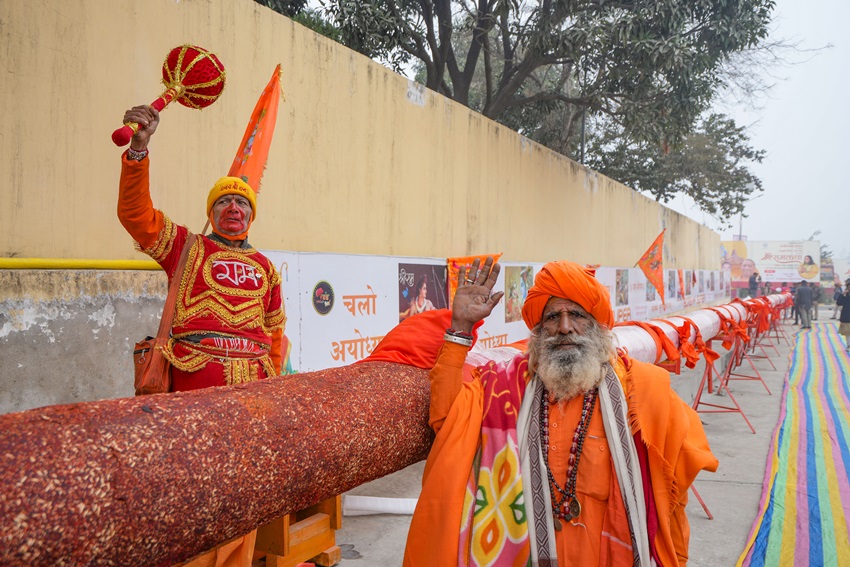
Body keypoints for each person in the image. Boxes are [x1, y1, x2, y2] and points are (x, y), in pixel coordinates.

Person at [404, 258, 718, 566]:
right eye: (553, 316)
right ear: (539, 329)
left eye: (577, 315)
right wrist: (460, 328)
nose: (565, 328)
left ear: (597, 325)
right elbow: (447, 419)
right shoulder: (502, 387)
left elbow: (672, 491)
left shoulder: (641, 391)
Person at [119, 105, 286, 566]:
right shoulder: (185, 247)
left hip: (254, 396)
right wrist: (138, 151)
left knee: (246, 492)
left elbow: (275, 332)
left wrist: (275, 387)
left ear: (251, 215)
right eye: (224, 202)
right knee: (194, 486)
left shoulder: (266, 267)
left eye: (242, 203)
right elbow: (135, 214)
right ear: (211, 213)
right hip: (195, 392)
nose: (234, 208)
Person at [837, 284, 850, 352]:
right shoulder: (846, 296)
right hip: (847, 316)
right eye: (848, 287)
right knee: (847, 332)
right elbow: (839, 303)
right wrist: (842, 294)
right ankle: (848, 345)